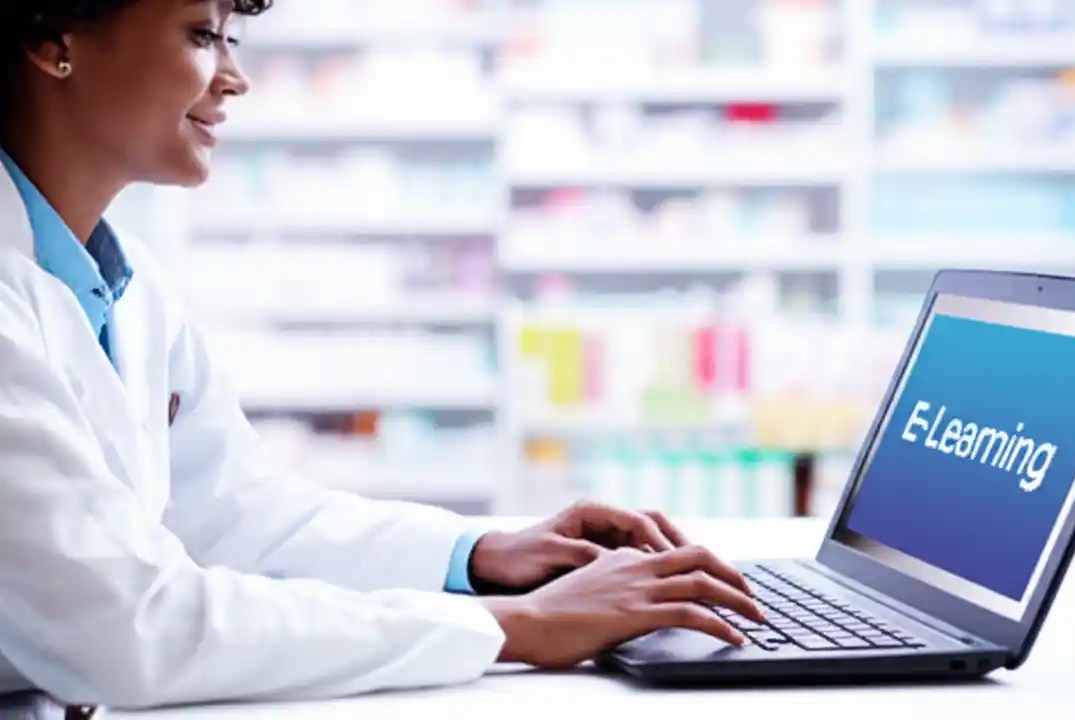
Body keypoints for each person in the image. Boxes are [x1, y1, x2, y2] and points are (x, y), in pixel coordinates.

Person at [0, 0, 765, 712]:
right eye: (201, 36)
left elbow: (233, 514)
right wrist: (515, 626)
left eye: (232, 38)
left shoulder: (116, 279)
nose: (233, 78)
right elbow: (131, 629)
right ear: (53, 38)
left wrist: (484, 556)